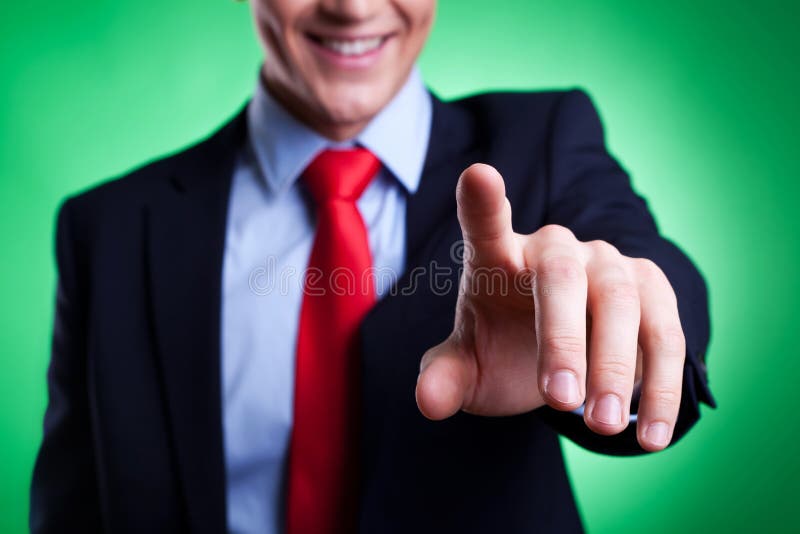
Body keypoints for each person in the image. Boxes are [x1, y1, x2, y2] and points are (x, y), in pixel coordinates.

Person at [30, 0, 715, 533]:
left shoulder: (542, 143)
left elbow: (638, 265)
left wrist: (619, 325)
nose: (353, 8)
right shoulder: (110, 229)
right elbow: (74, 509)